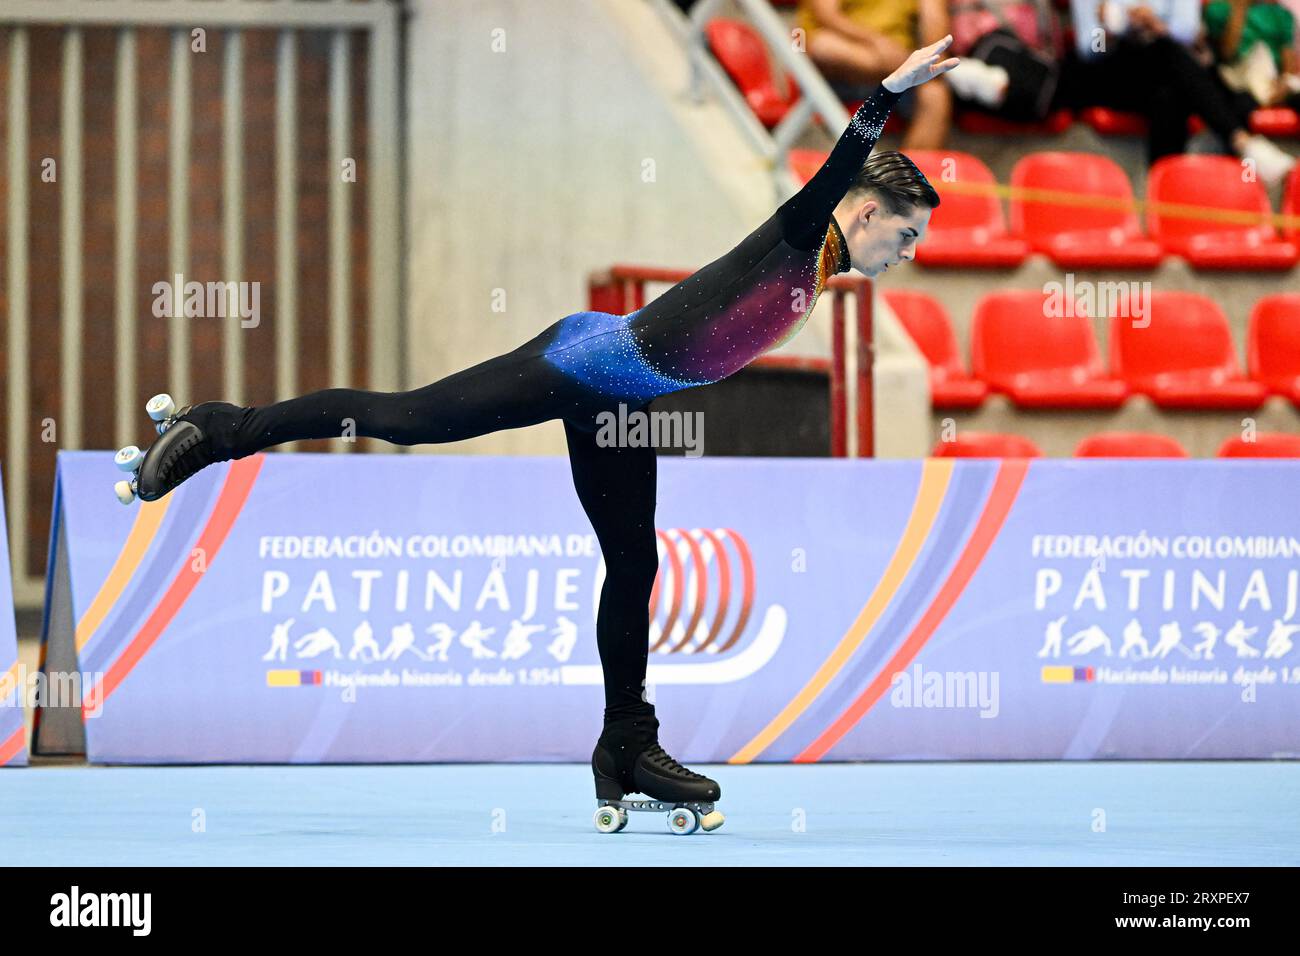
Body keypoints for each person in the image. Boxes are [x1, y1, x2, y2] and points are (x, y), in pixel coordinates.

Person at [115, 37, 955, 824]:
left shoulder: (818, 268)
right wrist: (885, 93)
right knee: (411, 420)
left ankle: (626, 742)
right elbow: (841, 160)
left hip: (626, 393)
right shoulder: (804, 230)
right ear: (867, 212)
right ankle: (221, 429)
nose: (908, 252)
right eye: (906, 234)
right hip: (590, 362)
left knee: (637, 562)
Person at [1057, 0, 1296, 183]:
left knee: (1168, 94)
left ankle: (1166, 191)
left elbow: (1186, 32)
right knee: (1168, 59)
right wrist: (1107, 30)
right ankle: (1241, 140)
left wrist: (1156, 26)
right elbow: (1090, 48)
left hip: (1163, 72)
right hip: (1111, 70)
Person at [797, 0, 987, 147]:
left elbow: (935, 40)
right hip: (843, 62)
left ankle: (901, 190)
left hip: (897, 69)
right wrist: (876, 42)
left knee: (935, 94)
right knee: (825, 46)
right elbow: (826, 16)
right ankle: (947, 74)